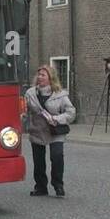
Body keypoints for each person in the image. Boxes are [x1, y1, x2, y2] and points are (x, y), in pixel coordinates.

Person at [24, 65, 76, 198]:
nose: (40, 77)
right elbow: (25, 110)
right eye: (39, 75)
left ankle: (58, 184)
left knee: (57, 156)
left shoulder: (60, 94)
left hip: (55, 130)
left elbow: (71, 113)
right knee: (38, 160)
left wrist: (57, 119)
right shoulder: (30, 93)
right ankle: (41, 187)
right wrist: (22, 117)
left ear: (50, 78)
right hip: (38, 130)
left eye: (43, 75)